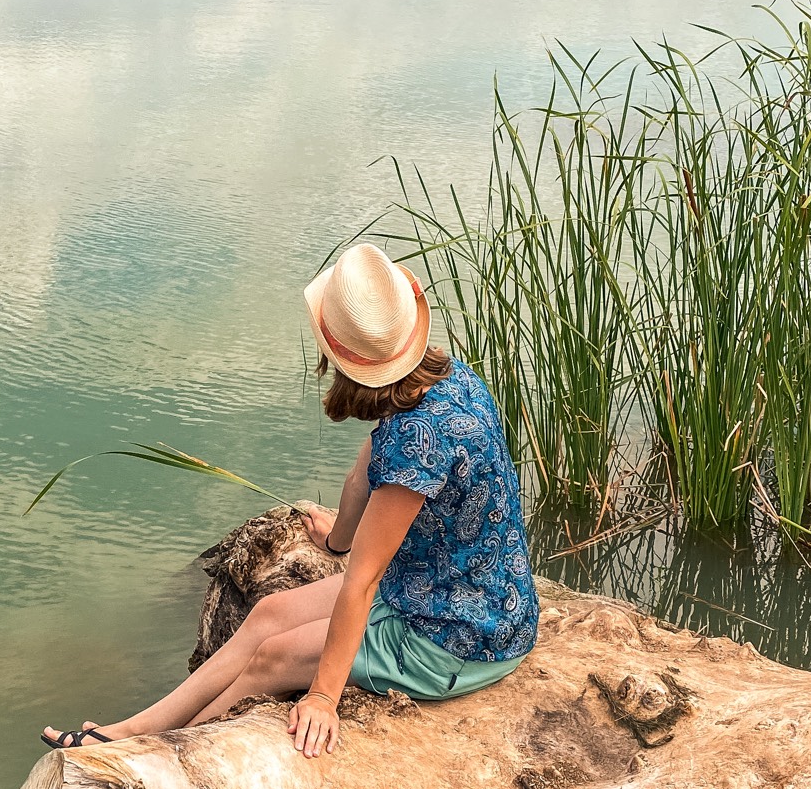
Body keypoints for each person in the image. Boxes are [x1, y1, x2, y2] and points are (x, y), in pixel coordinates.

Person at [41, 243, 538, 761]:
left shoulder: (416, 439)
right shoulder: (449, 381)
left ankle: (159, 755)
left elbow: (363, 581)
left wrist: (324, 695)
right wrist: (338, 540)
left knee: (272, 657)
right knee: (270, 611)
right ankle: (131, 729)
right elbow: (358, 480)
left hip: (460, 640)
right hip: (444, 592)